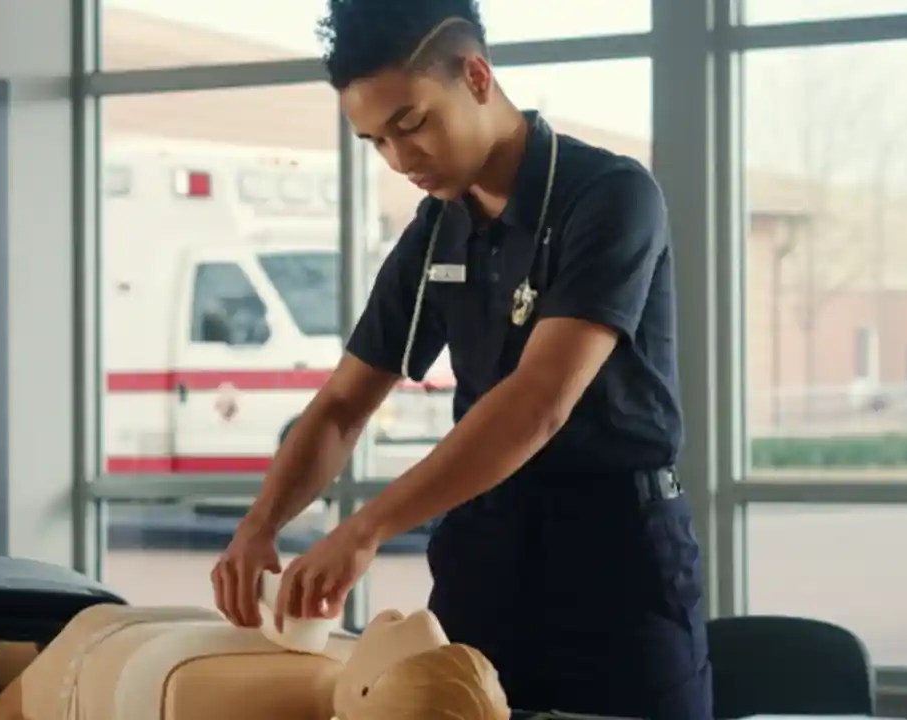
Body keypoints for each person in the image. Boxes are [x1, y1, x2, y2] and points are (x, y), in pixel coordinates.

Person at [211, 0, 713, 716]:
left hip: (615, 558)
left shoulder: (610, 196)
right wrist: (260, 525)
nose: (399, 159)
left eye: (412, 124)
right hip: (485, 554)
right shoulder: (438, 228)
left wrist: (366, 528)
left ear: (476, 76)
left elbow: (538, 402)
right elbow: (344, 405)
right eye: (376, 142)